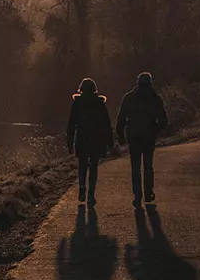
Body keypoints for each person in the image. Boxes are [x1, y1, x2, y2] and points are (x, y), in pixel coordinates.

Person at [116, 71, 169, 208]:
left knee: (135, 167)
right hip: (149, 136)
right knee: (148, 166)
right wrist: (156, 130)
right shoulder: (155, 98)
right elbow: (163, 120)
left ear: (137, 83)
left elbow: (121, 118)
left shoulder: (129, 97)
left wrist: (120, 135)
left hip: (133, 135)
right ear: (150, 83)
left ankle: (137, 195)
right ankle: (148, 193)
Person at [66, 78, 114, 206]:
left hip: (82, 138)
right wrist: (110, 141)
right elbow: (106, 124)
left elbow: (71, 124)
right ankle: (91, 195)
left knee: (82, 165)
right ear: (94, 89)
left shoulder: (77, 103)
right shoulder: (99, 104)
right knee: (93, 167)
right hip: (96, 139)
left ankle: (82, 186)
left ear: (81, 89)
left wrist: (69, 142)